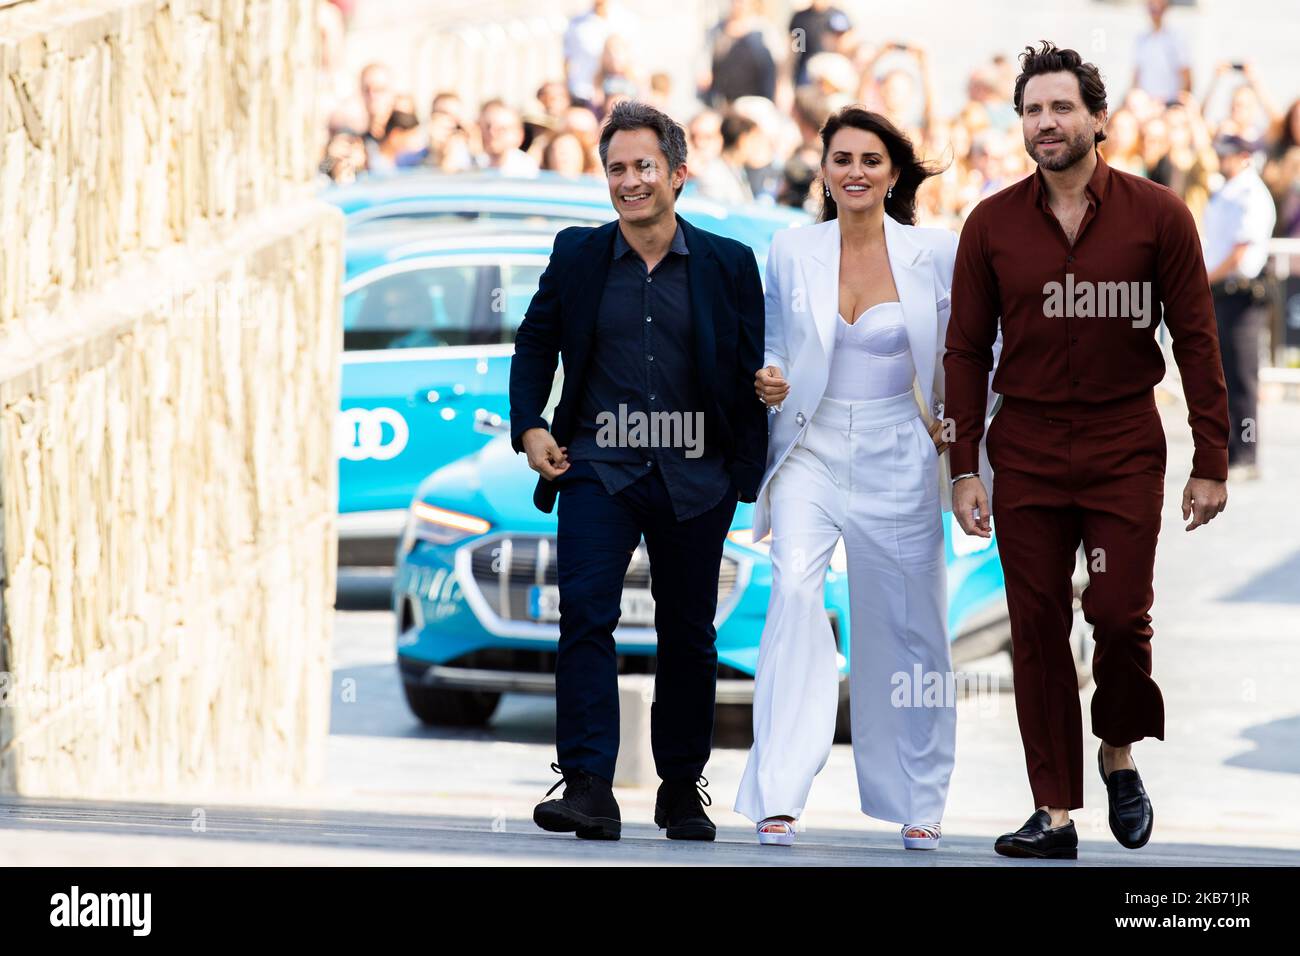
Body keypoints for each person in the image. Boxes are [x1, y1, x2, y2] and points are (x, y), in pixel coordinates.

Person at [945, 42, 1230, 860]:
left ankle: (1118, 753)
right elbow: (966, 350)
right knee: (1035, 626)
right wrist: (966, 465)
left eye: (1062, 107)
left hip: (1121, 444)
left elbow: (1197, 338)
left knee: (1116, 612)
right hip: (1026, 448)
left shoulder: (1158, 215)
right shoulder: (990, 224)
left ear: (1099, 119)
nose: (1046, 123)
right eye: (1033, 110)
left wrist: (1212, 458)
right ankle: (1055, 812)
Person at [735, 107, 999, 850]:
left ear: (893, 174)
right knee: (790, 590)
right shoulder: (790, 248)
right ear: (822, 170)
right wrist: (770, 379)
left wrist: (964, 444)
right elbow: (775, 342)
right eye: (841, 158)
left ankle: (919, 796)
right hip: (809, 449)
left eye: (871, 160)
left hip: (899, 450)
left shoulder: (936, 252)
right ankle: (779, 791)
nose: (855, 171)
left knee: (910, 627)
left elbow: (975, 349)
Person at [510, 101, 767, 842]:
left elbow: (754, 367)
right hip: (597, 467)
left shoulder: (727, 262)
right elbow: (536, 346)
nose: (629, 181)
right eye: (617, 168)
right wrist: (530, 425)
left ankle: (681, 788)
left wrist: (742, 470)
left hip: (696, 474)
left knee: (689, 632)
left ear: (678, 174)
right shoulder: (578, 255)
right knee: (585, 613)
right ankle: (588, 784)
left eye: (643, 166)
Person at [1203, 133, 1277, 480]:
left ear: (1245, 156)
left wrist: (1204, 278)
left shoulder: (1250, 194)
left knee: (1243, 380)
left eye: (1230, 154)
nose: (1223, 159)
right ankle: (1233, 449)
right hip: (1222, 291)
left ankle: (1246, 451)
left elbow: (1239, 252)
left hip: (1241, 292)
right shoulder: (1226, 190)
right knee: (1226, 378)